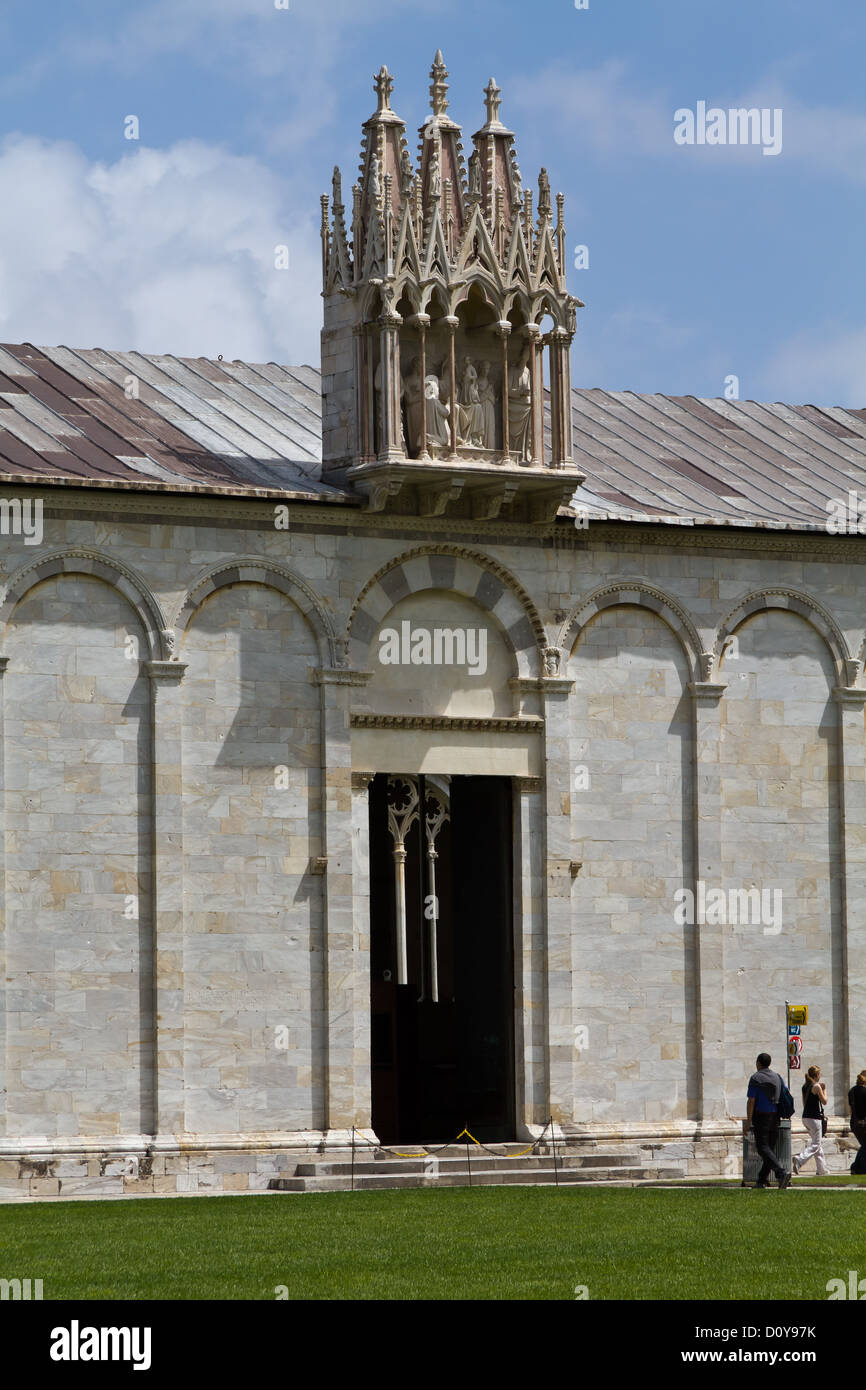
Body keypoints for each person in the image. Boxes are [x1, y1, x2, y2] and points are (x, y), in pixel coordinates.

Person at [745, 1052, 791, 1189]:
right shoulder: (777, 1077)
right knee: (768, 1149)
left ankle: (781, 1172)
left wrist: (748, 1121)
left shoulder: (755, 1078)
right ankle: (761, 1180)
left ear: (758, 1063)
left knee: (762, 1147)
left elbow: (751, 1100)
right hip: (775, 1116)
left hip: (761, 1116)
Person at [793, 1065, 828, 1176]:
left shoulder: (805, 1086)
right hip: (814, 1118)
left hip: (805, 1117)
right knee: (816, 1144)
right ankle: (799, 1159)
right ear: (817, 1075)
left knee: (817, 1145)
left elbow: (804, 1104)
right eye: (819, 1074)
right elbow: (825, 1101)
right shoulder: (816, 1086)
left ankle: (822, 1170)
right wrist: (824, 1089)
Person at [848, 1069, 866, 1176]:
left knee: (864, 1145)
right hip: (863, 1123)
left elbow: (850, 1109)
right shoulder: (865, 1091)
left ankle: (856, 1168)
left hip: (854, 1122)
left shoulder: (851, 1091)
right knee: (865, 1146)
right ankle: (858, 1168)